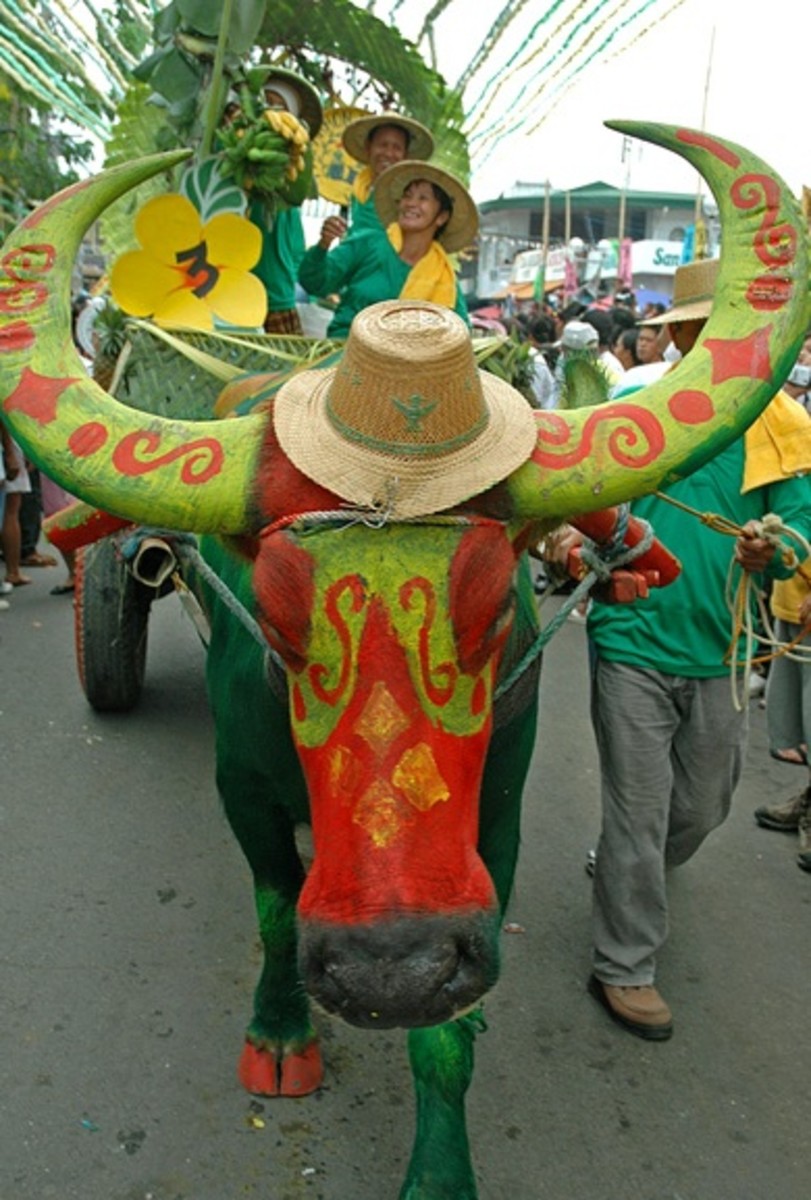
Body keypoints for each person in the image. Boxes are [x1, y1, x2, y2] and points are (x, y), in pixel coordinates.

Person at [582, 258, 811, 1039]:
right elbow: (583, 499)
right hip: (631, 638)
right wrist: (570, 544)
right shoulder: (632, 410)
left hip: (722, 650)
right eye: (704, 327)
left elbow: (800, 522)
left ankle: (630, 870)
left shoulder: (780, 423)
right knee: (638, 813)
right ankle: (623, 964)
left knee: (703, 806)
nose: (721, 341)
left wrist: (775, 550)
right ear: (680, 336)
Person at [298, 160, 476, 338]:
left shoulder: (443, 277)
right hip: (345, 348)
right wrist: (323, 245)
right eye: (407, 196)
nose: (411, 203)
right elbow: (315, 283)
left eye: (423, 198)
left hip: (404, 356)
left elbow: (460, 334)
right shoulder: (368, 243)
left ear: (441, 217)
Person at [246, 68, 324, 335]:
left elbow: (296, 251)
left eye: (281, 106)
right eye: (266, 102)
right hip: (231, 290)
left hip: (275, 298)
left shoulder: (289, 190)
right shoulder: (239, 173)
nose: (272, 111)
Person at [341, 112, 434, 235]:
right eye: (382, 145)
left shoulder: (407, 198)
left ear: (405, 155)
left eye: (397, 148)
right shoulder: (360, 187)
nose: (389, 153)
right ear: (369, 148)